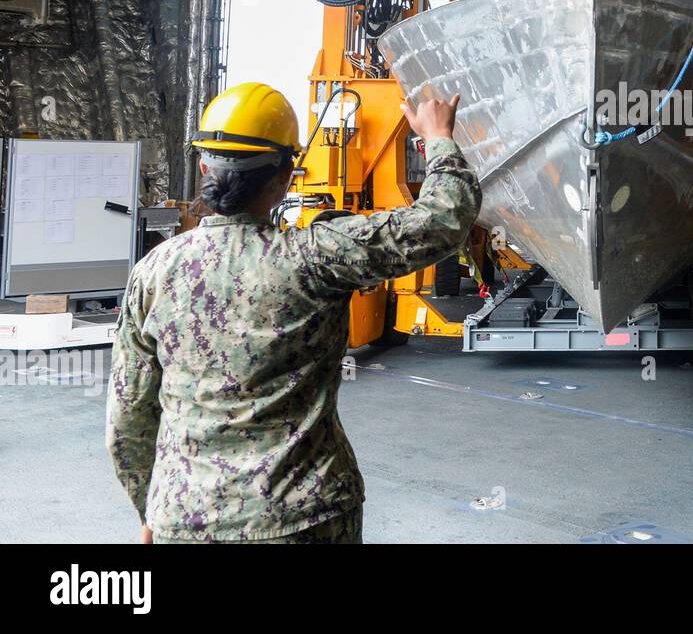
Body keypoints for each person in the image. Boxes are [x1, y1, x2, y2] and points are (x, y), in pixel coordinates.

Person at [106, 82, 481, 544]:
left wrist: (153, 509)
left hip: (186, 521)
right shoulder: (316, 257)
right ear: (285, 176)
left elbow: (128, 418)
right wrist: (438, 138)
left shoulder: (153, 272)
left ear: (205, 166)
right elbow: (444, 218)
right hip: (308, 520)